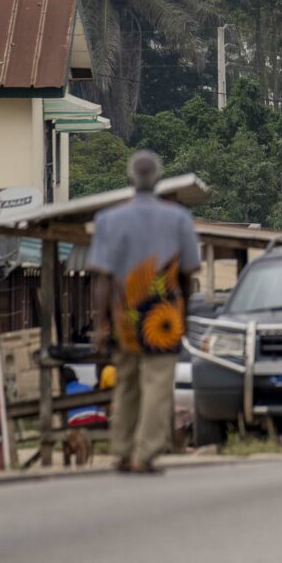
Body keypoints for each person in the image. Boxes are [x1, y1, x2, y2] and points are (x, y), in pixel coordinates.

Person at [87, 151, 202, 475]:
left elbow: (103, 278)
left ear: (131, 178)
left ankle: (122, 451)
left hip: (124, 312)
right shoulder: (179, 218)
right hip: (163, 314)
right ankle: (144, 454)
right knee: (157, 384)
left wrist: (101, 324)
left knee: (126, 383)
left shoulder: (108, 219)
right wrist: (184, 318)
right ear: (158, 178)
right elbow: (186, 275)